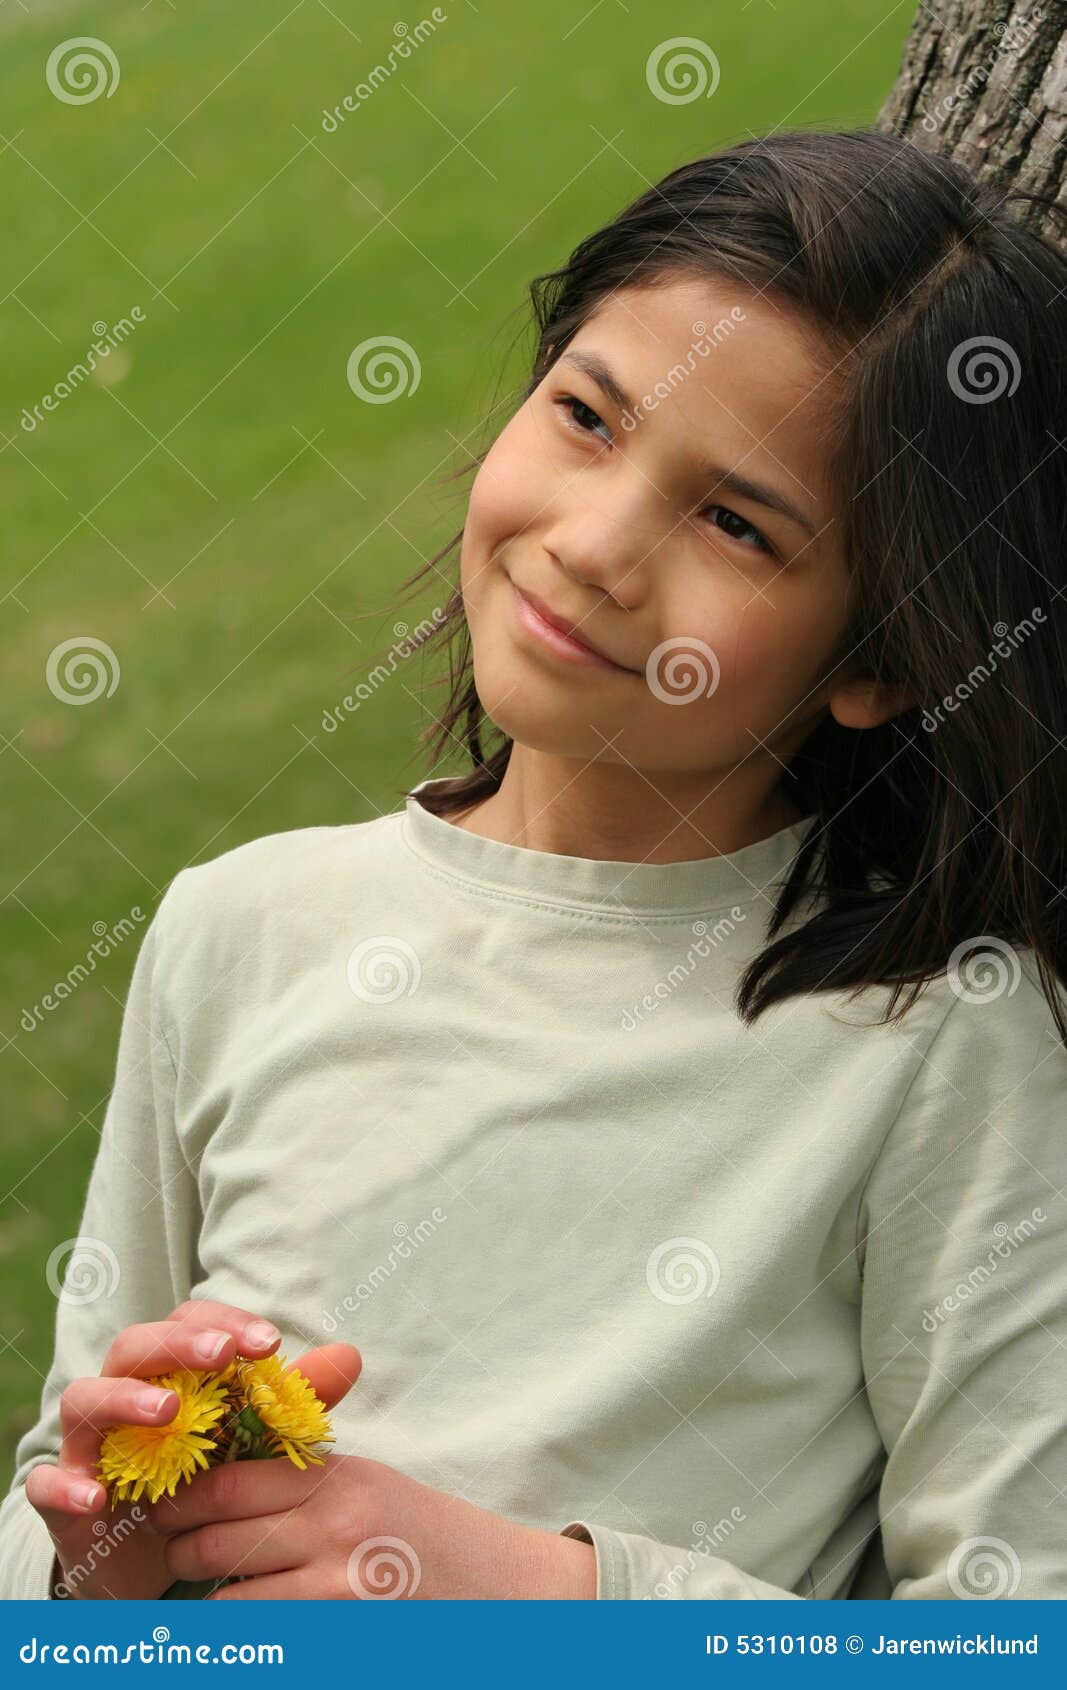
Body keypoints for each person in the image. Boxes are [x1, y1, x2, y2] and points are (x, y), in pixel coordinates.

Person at [2, 127, 1065, 1601]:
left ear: (880, 660)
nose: (596, 545)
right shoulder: (237, 930)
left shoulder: (937, 1043)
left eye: (735, 522)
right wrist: (97, 1558)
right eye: (587, 416)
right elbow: (51, 1518)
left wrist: (536, 1596)